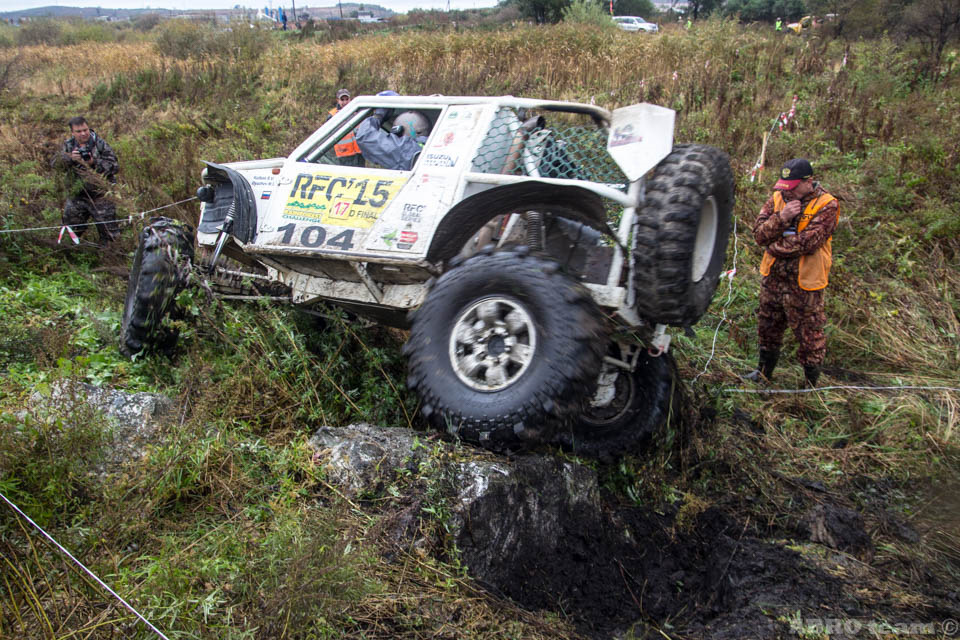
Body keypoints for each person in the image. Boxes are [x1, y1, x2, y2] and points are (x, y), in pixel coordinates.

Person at [744, 158, 839, 387]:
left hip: (805, 283)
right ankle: (763, 373)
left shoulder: (827, 204)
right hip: (773, 279)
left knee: (810, 336)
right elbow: (758, 234)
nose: (788, 191)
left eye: (794, 186)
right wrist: (782, 218)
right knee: (768, 328)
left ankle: (810, 385)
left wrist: (772, 246)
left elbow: (807, 243)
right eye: (785, 186)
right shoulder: (778, 199)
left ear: (809, 181)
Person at [51, 116, 120, 245]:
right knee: (69, 234)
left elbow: (114, 166)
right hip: (77, 197)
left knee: (110, 237)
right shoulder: (69, 145)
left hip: (101, 196)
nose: (83, 133)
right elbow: (55, 164)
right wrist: (70, 159)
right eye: (78, 131)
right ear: (72, 132)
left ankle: (109, 259)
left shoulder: (100, 144)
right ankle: (73, 256)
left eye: (85, 130)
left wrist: (93, 162)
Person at [353, 92, 431, 171]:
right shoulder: (432, 144)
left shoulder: (406, 149)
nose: (395, 137)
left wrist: (378, 116)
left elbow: (365, 137)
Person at [327, 88, 364, 167]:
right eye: (342, 99)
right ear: (338, 100)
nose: (345, 102)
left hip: (359, 152)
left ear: (350, 99)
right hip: (344, 154)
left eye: (347, 99)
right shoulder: (332, 116)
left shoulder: (357, 112)